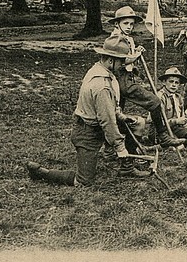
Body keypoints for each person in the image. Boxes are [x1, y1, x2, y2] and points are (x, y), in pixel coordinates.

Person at [25, 35, 151, 185]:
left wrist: (121, 116)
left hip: (100, 122)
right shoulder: (101, 85)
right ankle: (42, 173)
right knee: (83, 181)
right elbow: (107, 121)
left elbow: (110, 109)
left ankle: (127, 168)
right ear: (111, 60)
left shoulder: (102, 69)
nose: (123, 65)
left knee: (138, 123)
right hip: (88, 130)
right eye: (122, 61)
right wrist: (120, 148)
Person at [106, 5, 184, 157]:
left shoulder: (127, 38)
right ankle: (162, 134)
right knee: (154, 101)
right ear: (117, 24)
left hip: (126, 78)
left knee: (116, 115)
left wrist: (136, 51)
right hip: (120, 81)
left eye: (131, 24)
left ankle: (116, 149)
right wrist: (135, 56)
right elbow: (120, 60)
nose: (129, 27)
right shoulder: (114, 38)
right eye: (125, 23)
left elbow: (129, 55)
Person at [157, 66, 187, 147]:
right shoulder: (160, 97)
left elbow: (182, 117)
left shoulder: (178, 97)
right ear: (164, 82)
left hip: (175, 128)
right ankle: (159, 146)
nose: (174, 85)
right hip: (161, 130)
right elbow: (159, 123)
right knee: (179, 147)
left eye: (176, 82)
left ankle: (180, 142)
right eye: (171, 81)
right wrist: (176, 121)